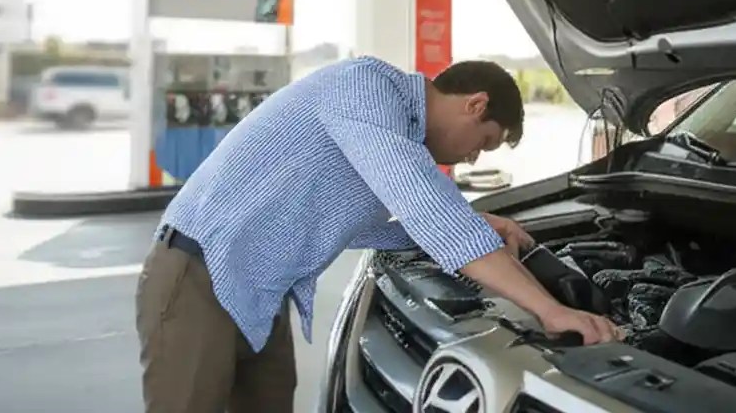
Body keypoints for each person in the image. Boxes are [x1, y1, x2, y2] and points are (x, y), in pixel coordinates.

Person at [135, 55, 622, 413]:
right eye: (484, 144)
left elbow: (361, 228)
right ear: (475, 104)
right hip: (198, 277)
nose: (472, 158)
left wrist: (478, 226)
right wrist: (550, 309)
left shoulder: (392, 130)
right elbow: (427, 206)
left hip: (258, 293)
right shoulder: (365, 88)